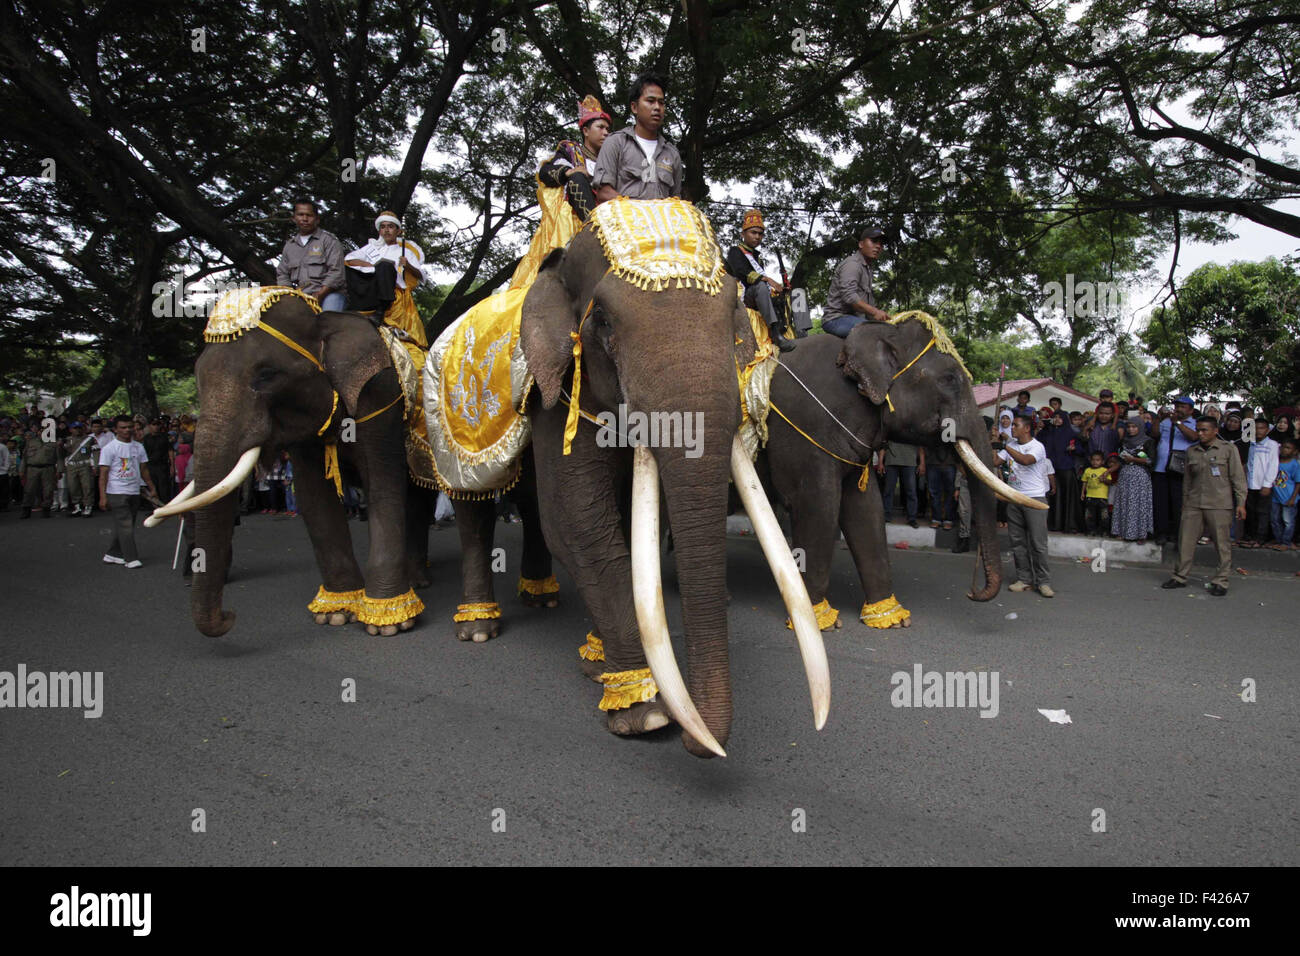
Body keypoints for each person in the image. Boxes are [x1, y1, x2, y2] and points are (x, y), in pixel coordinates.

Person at [1161, 416, 1247, 596]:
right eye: (1198, 430)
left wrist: (1241, 503)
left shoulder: (1228, 450)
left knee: (1222, 544)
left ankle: (1221, 581)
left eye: (1204, 430)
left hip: (1219, 503)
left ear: (1215, 431)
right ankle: (1180, 576)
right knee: (1185, 541)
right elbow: (1187, 481)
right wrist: (1185, 502)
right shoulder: (1192, 451)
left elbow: (1238, 478)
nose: (1200, 433)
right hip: (1194, 503)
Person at [590, 73, 683, 203]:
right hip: (623, 222)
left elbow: (676, 201)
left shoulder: (672, 154)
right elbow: (604, 192)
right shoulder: (615, 143)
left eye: (661, 103)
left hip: (662, 223)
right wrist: (639, 211)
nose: (657, 107)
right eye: (650, 101)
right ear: (634, 107)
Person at [345, 212, 429, 348]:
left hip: (393, 295)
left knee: (385, 265)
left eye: (390, 226)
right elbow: (349, 259)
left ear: (398, 231)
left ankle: (381, 311)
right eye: (383, 227)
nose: (386, 230)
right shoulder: (371, 248)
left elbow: (422, 276)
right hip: (372, 289)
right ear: (379, 230)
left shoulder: (406, 252)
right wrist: (370, 265)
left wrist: (408, 265)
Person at [724, 209, 795, 352]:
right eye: (753, 232)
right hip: (742, 297)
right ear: (743, 234)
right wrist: (767, 279)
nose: (757, 236)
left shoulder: (757, 257)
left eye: (760, 234)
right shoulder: (735, 251)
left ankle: (796, 329)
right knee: (761, 286)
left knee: (794, 293)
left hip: (758, 296)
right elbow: (741, 272)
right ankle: (775, 333)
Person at [1000, 414, 1053, 596]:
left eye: (1015, 425)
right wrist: (989, 444)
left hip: (1034, 499)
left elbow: (1025, 460)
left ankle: (1043, 582)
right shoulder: (1011, 446)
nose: (1012, 428)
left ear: (1027, 428)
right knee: (1017, 542)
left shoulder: (1037, 446)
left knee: (1038, 543)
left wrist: (1004, 446)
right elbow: (994, 461)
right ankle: (1024, 579)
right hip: (1014, 498)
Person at [98, 414, 158, 569]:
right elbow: (103, 473)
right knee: (125, 525)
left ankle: (113, 554)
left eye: (130, 427)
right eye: (123, 428)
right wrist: (103, 497)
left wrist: (151, 487)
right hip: (116, 492)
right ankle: (130, 558)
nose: (127, 430)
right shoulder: (109, 448)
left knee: (126, 524)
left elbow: (144, 469)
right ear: (115, 429)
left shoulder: (138, 447)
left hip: (134, 490)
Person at [538, 95, 610, 222]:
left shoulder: (611, 159)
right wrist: (568, 171)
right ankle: (592, 225)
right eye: (600, 127)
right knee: (577, 177)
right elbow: (544, 172)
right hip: (579, 216)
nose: (605, 132)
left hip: (610, 211)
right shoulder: (571, 151)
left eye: (607, 129)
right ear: (586, 131)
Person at [276, 197, 346, 310]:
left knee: (328, 320)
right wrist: (289, 294)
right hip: (300, 295)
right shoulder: (290, 246)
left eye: (309, 215)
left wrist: (320, 294)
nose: (304, 219)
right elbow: (282, 274)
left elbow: (336, 272)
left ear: (317, 219)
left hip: (329, 294)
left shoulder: (328, 240)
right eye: (300, 215)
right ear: (294, 218)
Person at [822, 227, 890, 337]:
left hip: (854, 319)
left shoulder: (867, 269)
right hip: (836, 319)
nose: (878, 246)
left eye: (881, 244)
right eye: (873, 241)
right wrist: (875, 312)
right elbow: (849, 296)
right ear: (861, 244)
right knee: (875, 333)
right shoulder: (853, 264)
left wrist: (887, 319)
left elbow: (868, 305)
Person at [1110, 418, 1155, 542]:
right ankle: (1122, 531)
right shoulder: (1124, 441)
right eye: (1129, 427)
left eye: (1134, 427)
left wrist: (1133, 460)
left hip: (1140, 476)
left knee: (1138, 504)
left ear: (1140, 427)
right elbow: (1119, 458)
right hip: (1125, 475)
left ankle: (1140, 534)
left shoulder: (1148, 441)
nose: (1131, 429)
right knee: (1123, 503)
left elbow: (1151, 460)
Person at [1038, 408, 1078, 532]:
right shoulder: (1047, 432)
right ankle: (1053, 524)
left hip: (1065, 468)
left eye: (1059, 417)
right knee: (1052, 497)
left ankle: (1068, 525)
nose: (1056, 420)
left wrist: (1074, 448)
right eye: (1054, 417)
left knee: (1066, 498)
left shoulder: (1070, 433)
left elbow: (1081, 449)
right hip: (1049, 469)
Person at [1242, 416, 1279, 547]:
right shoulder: (1251, 444)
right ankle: (1251, 537)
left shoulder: (1272, 445)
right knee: (1251, 512)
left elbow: (1273, 465)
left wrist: (1267, 484)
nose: (1258, 431)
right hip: (1250, 484)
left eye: (1261, 428)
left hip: (1263, 485)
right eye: (1255, 428)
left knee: (1263, 512)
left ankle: (1260, 538)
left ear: (1267, 430)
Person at [877, 440, 922, 528]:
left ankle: (912, 518)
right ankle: (886, 516)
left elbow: (920, 446)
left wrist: (922, 462)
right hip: (891, 462)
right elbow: (883, 446)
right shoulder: (890, 427)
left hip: (910, 462)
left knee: (911, 492)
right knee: (888, 491)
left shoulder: (913, 428)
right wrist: (880, 462)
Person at [19, 420, 59, 518]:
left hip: (48, 468)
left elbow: (60, 458)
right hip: (32, 469)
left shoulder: (54, 443)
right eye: (41, 431)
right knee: (29, 490)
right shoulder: (31, 442)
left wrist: (59, 471)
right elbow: (24, 457)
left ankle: (46, 509)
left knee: (48, 490)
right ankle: (26, 509)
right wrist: (21, 470)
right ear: (38, 432)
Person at [63, 423, 99, 516]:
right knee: (73, 486)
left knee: (87, 486)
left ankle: (88, 506)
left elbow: (96, 453)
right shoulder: (67, 440)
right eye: (75, 428)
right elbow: (62, 453)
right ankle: (77, 506)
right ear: (71, 430)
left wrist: (95, 466)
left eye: (79, 428)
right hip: (71, 466)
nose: (77, 430)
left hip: (85, 465)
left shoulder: (89, 439)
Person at [1270, 438, 1299, 549]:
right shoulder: (1275, 462)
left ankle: (1286, 542)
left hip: (1289, 498)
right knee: (1274, 520)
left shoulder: (1294, 465)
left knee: (1288, 521)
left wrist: (1293, 498)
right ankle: (1278, 540)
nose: (1284, 450)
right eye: (1283, 447)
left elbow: (1298, 483)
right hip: (1275, 498)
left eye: (1288, 448)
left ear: (1294, 451)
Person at [1081, 451, 1110, 535]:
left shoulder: (1105, 470)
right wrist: (1082, 493)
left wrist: (1104, 479)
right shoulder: (1088, 470)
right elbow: (1084, 482)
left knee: (1104, 516)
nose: (1095, 462)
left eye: (1098, 460)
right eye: (1093, 460)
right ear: (1090, 461)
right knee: (1089, 515)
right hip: (1090, 496)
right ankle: (1091, 530)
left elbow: (1110, 482)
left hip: (1102, 497)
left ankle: (1104, 531)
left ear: (1102, 461)